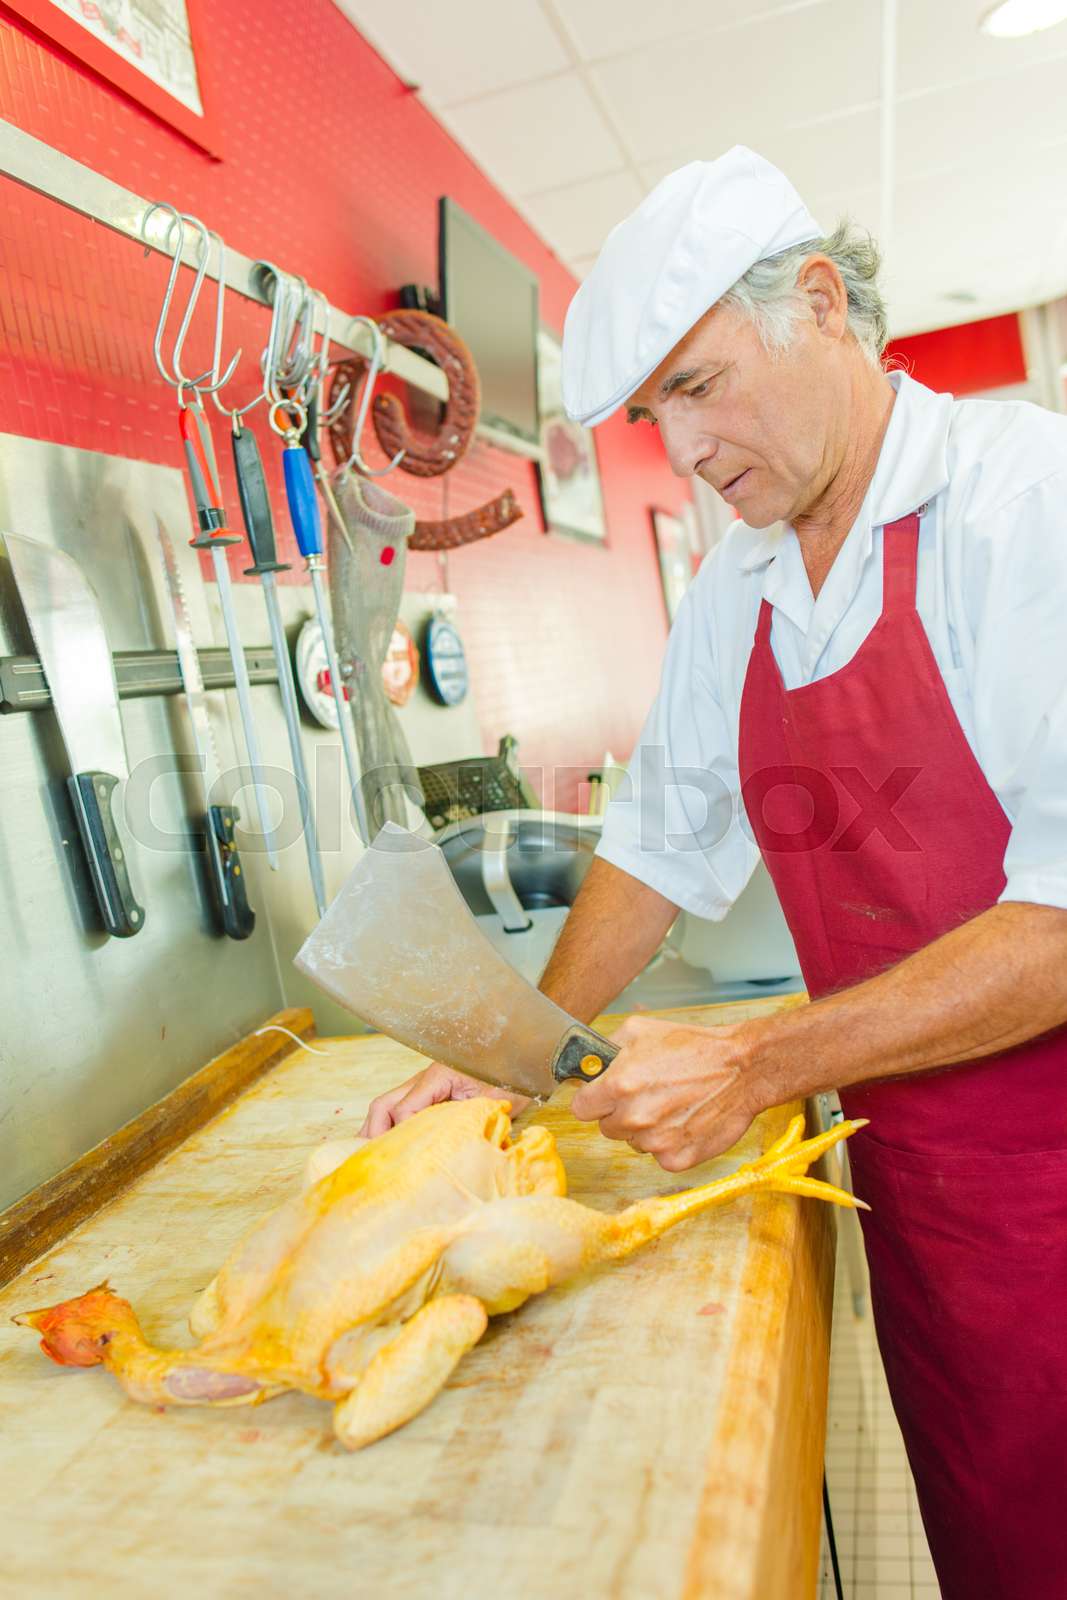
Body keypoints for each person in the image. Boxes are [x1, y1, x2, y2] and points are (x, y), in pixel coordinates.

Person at [361, 148, 1067, 1599]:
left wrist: (754, 1057)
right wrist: (528, 1053)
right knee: (998, 1533)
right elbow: (660, 842)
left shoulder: (1025, 506)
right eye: (653, 413)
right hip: (917, 1186)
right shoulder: (741, 581)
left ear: (822, 303)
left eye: (698, 387)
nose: (681, 452)